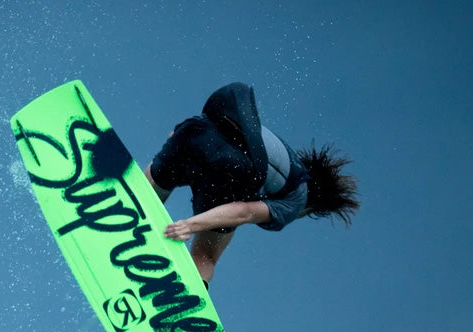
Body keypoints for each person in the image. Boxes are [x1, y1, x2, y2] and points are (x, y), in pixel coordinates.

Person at [144, 82, 359, 285]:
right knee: (206, 254)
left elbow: (177, 136)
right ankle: (185, 306)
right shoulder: (298, 196)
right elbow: (244, 211)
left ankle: (131, 206)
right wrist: (189, 225)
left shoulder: (272, 144)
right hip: (234, 166)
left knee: (155, 180)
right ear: (312, 206)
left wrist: (170, 156)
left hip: (197, 128)